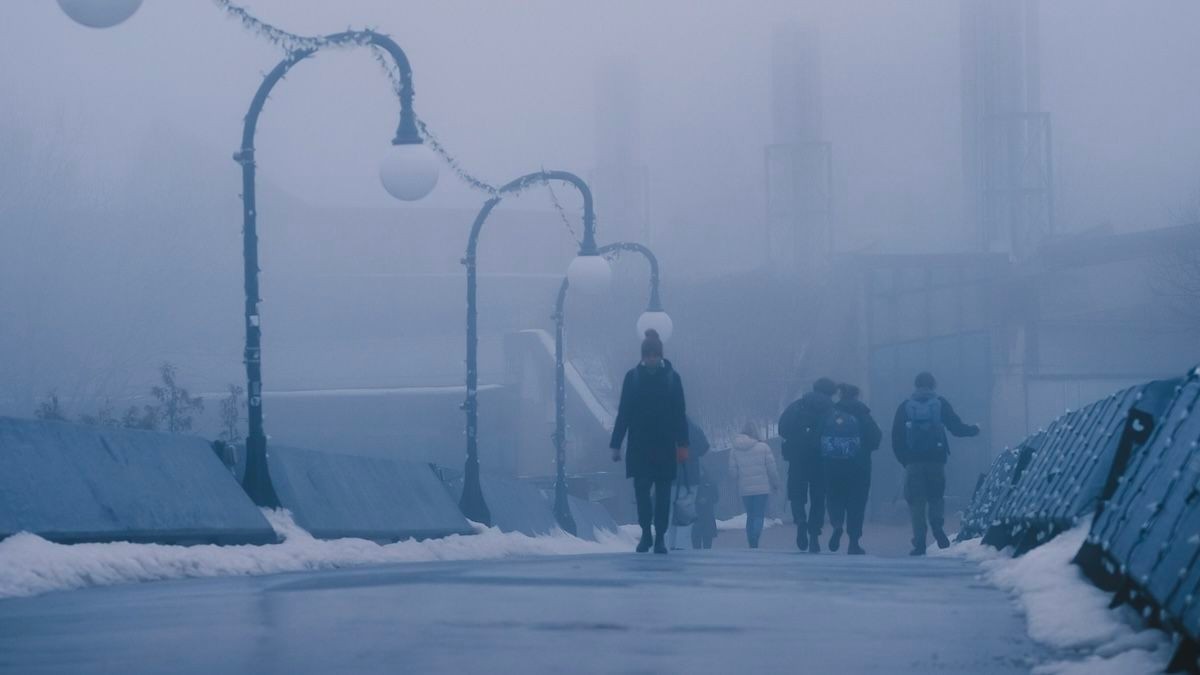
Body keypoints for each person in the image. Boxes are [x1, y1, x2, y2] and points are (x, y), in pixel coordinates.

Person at [610, 329, 690, 554]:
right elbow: (624, 412)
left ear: (660, 355)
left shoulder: (672, 379)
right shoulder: (632, 378)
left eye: (655, 355)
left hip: (664, 446)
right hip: (640, 447)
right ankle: (646, 534)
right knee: (642, 495)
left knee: (663, 497)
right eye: (648, 355)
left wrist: (682, 444)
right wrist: (616, 444)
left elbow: (679, 413)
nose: (652, 359)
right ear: (643, 356)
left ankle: (660, 537)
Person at [892, 371, 981, 556]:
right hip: (936, 460)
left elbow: (896, 437)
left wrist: (905, 460)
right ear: (933, 385)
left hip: (913, 462)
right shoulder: (940, 404)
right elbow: (956, 428)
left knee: (916, 502)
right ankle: (937, 526)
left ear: (916, 386)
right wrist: (975, 430)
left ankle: (919, 542)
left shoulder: (905, 407)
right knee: (936, 497)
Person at [821, 383, 882, 555]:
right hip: (859, 466)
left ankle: (837, 524)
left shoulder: (830, 413)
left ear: (840, 395)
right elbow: (876, 438)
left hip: (832, 465)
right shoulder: (863, 413)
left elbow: (820, 436)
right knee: (857, 503)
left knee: (834, 498)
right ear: (856, 396)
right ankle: (854, 542)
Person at [778, 378, 836, 552]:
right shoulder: (832, 409)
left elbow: (782, 428)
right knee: (818, 498)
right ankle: (814, 536)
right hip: (822, 459)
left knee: (797, 494)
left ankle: (800, 521)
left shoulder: (798, 405)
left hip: (798, 457)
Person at [728, 423, 781, 548]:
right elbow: (772, 469)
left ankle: (751, 540)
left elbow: (733, 474)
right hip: (762, 489)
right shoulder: (764, 447)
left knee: (750, 515)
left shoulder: (734, 449)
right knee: (758, 514)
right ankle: (755, 538)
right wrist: (776, 484)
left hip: (745, 489)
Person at [691, 461, 720, 549]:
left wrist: (707, 499)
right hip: (695, 513)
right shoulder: (691, 483)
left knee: (708, 536)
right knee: (696, 536)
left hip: (708, 513)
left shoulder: (710, 482)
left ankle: (707, 550)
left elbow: (716, 497)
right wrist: (696, 500)